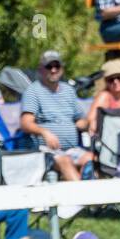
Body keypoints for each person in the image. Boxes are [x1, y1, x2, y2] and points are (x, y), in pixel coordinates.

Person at [20, 50, 93, 181]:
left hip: (72, 149)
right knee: (64, 161)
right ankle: (84, 198)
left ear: (62, 69)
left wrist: (84, 124)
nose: (53, 70)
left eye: (57, 66)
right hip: (46, 152)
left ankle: (99, 199)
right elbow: (26, 123)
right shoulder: (33, 91)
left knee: (92, 159)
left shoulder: (69, 91)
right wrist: (45, 132)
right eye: (49, 66)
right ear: (41, 69)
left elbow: (81, 118)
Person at [86, 58, 120, 136]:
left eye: (119, 78)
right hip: (110, 137)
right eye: (111, 79)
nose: (115, 82)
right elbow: (91, 119)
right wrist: (94, 122)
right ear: (106, 82)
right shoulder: (104, 97)